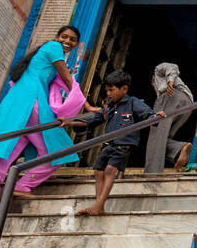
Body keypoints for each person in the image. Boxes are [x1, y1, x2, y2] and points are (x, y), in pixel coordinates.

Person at [0, 25, 83, 215]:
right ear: (57, 37)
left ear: (76, 43)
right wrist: (86, 105)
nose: (67, 41)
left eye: (72, 39)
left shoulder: (44, 56)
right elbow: (68, 80)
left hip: (19, 107)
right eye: (64, 36)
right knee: (58, 151)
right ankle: (22, 186)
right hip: (33, 104)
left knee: (5, 155)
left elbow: (60, 83)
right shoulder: (54, 47)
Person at [69, 70, 164, 217]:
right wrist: (69, 122)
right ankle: (99, 203)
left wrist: (156, 116)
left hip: (123, 144)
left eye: (111, 90)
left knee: (110, 170)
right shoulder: (109, 108)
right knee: (99, 170)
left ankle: (99, 204)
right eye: (106, 90)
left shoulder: (133, 103)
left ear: (124, 89)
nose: (108, 93)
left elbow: (148, 114)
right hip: (108, 144)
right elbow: (93, 119)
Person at [143, 63, 194, 173]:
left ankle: (152, 173)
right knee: (162, 138)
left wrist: (170, 81)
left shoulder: (157, 72)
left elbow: (171, 67)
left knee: (155, 137)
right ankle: (179, 148)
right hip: (187, 104)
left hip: (171, 98)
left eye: (152, 83)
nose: (153, 85)